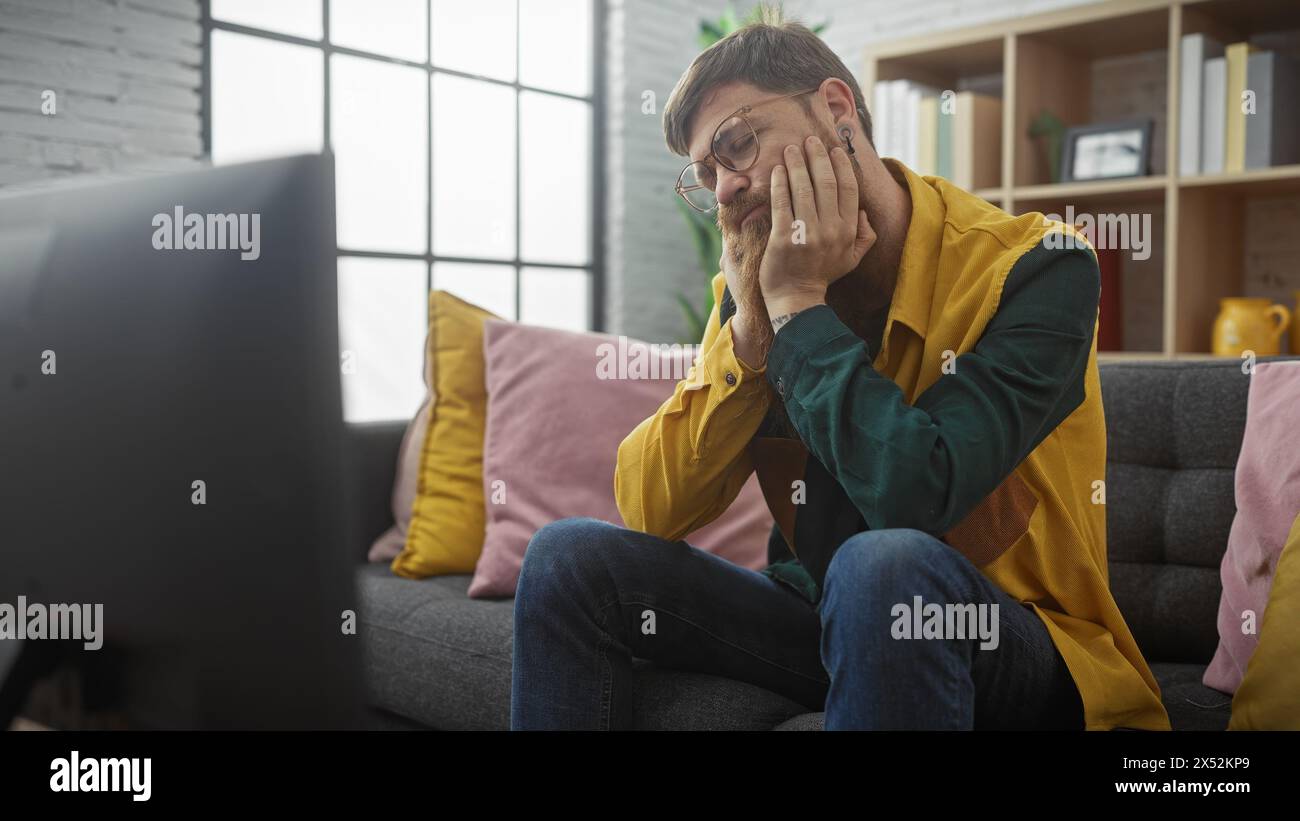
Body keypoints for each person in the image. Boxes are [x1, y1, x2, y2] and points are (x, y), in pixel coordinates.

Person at [510, 7, 1170, 731]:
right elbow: (652, 509)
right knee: (568, 558)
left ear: (835, 111)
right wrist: (755, 336)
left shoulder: (1040, 268)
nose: (724, 189)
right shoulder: (756, 286)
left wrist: (797, 306)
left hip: (1017, 636)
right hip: (817, 615)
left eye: (737, 144)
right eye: (706, 173)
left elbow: (916, 493)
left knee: (882, 568)